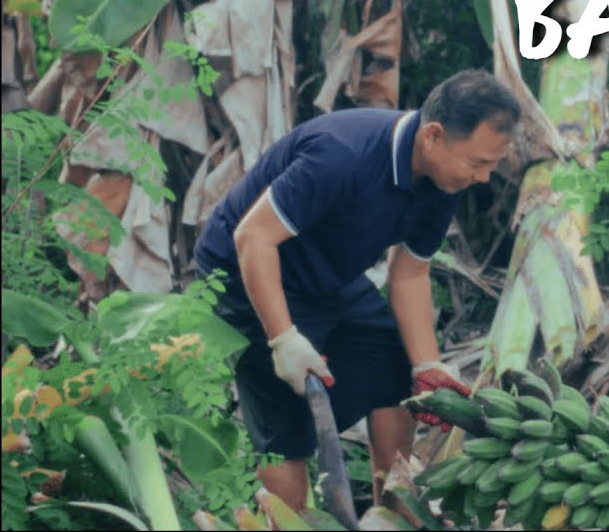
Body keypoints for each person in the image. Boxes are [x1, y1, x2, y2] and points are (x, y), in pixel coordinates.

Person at [193, 69, 520, 511]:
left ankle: (393, 509)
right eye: (478, 163)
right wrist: (283, 339)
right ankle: (289, 523)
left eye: (492, 165)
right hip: (245, 270)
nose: (483, 177)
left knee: (393, 358)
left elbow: (409, 273)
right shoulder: (341, 154)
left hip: (327, 272)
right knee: (287, 420)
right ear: (434, 136)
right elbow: (253, 238)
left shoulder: (444, 181)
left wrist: (428, 364)